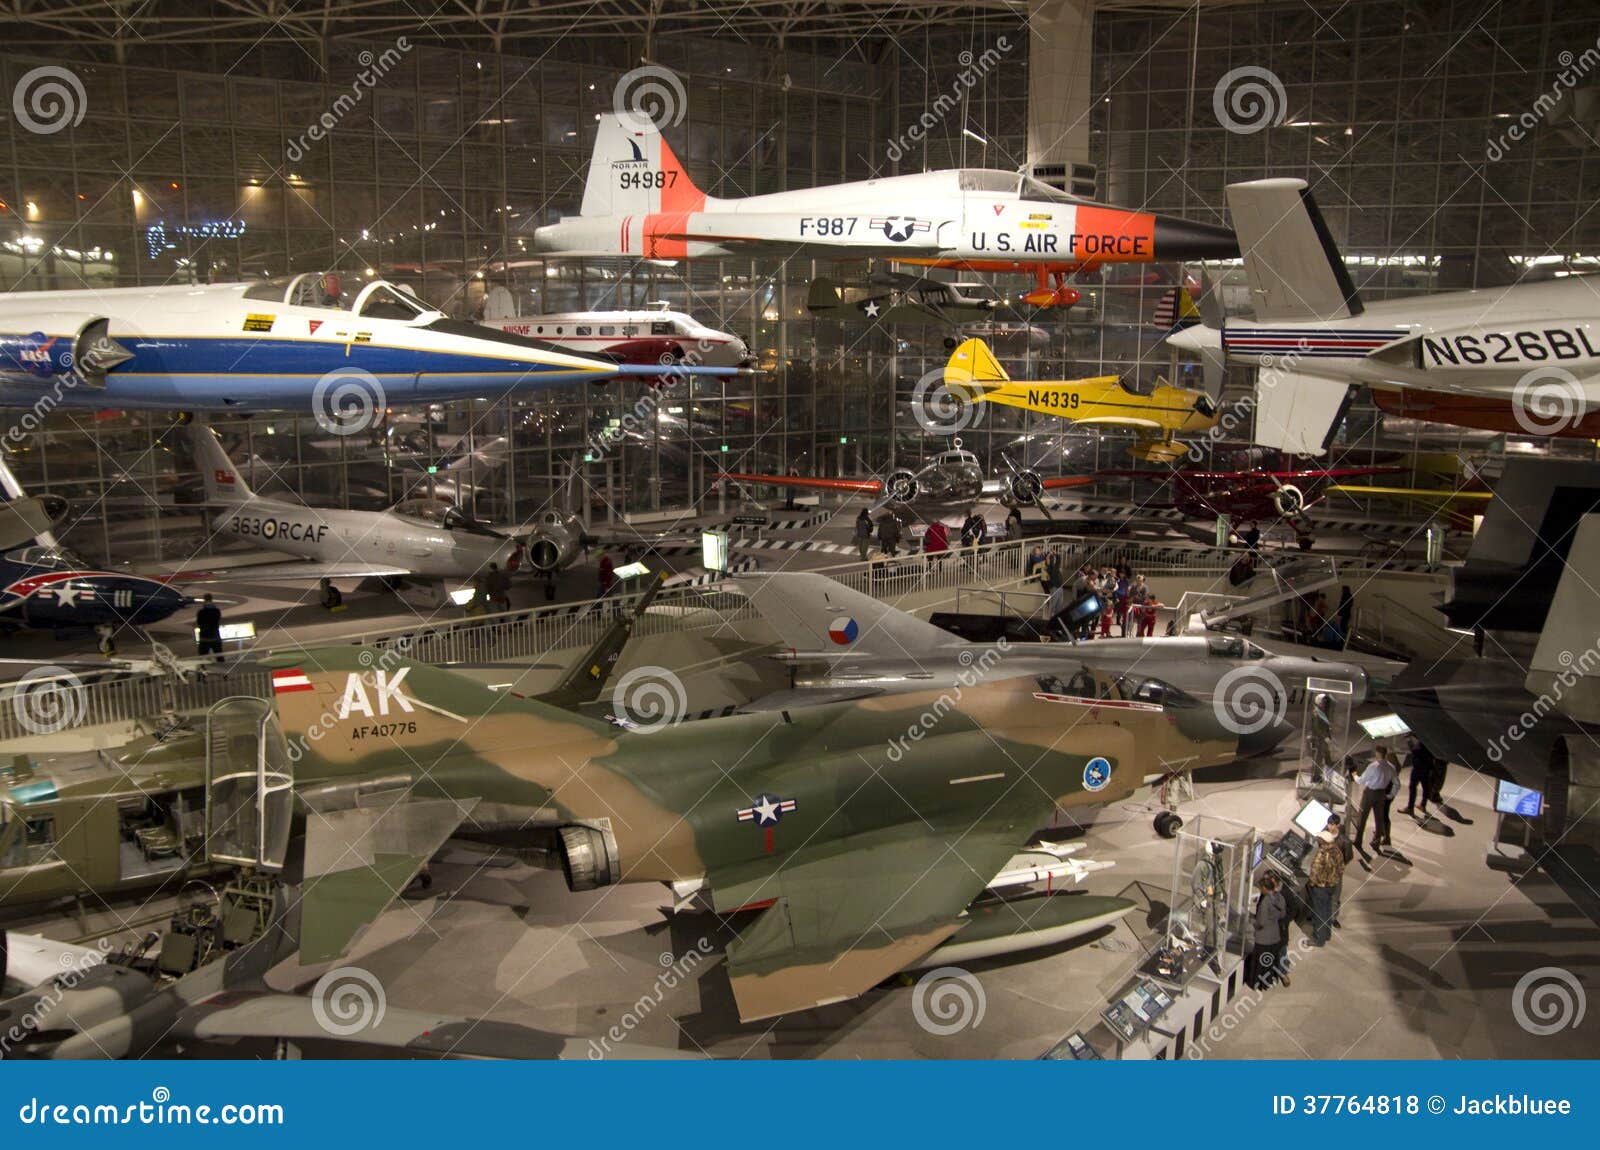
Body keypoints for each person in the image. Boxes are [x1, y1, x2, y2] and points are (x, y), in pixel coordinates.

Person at [1352, 743, 1399, 852]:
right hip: (1381, 794)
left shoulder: (1373, 766)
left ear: (1377, 753)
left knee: (1362, 817)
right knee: (1379, 819)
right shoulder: (1391, 767)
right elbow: (1397, 784)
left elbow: (1361, 780)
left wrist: (1354, 775)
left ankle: (1358, 841)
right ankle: (1376, 842)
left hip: (1370, 793)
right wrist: (1391, 795)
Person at [1247, 872, 1289, 989]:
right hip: (1275, 936)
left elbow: (1261, 922)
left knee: (1259, 963)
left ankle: (1257, 984)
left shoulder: (1265, 902)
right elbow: (1282, 914)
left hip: (1263, 939)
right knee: (1268, 962)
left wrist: (1251, 920)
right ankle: (1266, 982)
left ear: (1265, 888)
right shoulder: (1280, 898)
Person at [1305, 826, 1346, 946]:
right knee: (1327, 911)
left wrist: (1312, 884)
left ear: (1323, 841)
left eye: (1319, 839)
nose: (1318, 840)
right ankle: (1326, 934)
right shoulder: (1337, 850)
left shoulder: (1322, 853)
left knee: (1319, 913)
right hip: (1332, 886)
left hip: (1320, 887)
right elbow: (1341, 868)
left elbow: (1314, 872)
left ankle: (1318, 939)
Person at [1325, 813, 1354, 928]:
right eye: (1329, 824)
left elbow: (1348, 857)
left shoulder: (1345, 841)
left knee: (1335, 896)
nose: (1330, 827)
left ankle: (1333, 918)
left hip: (1336, 873)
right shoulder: (1324, 835)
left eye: (1332, 824)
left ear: (1337, 825)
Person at [1400, 734, 1439, 819]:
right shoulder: (1429, 742)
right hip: (1427, 768)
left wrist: (1409, 741)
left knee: (1413, 787)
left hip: (1418, 768)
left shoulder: (1422, 744)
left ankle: (1410, 808)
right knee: (1425, 787)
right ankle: (1423, 805)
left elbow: (1415, 751)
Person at [195, 594, 223, 660]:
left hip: (204, 637)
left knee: (202, 658)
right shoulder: (217, 611)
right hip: (215, 636)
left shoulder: (201, 612)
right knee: (219, 657)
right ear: (211, 599)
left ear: (204, 600)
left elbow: (199, 623)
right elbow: (217, 620)